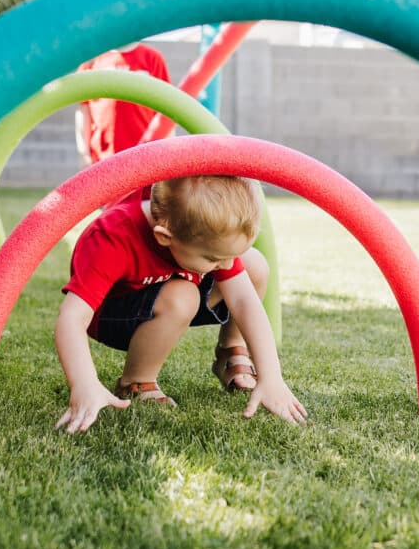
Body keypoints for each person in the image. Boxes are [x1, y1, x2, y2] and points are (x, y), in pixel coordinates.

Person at [54, 174, 307, 433]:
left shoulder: (195, 230)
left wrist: (271, 376)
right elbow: (73, 318)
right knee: (182, 295)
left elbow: (243, 300)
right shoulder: (113, 236)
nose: (228, 265)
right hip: (112, 315)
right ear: (165, 236)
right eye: (214, 258)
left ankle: (231, 351)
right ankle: (137, 381)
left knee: (254, 266)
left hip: (172, 295)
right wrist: (84, 383)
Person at [74, 42, 171, 164]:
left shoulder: (152, 58)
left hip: (145, 155)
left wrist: (167, 152)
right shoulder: (92, 60)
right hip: (102, 157)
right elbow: (84, 110)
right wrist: (83, 152)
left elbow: (167, 111)